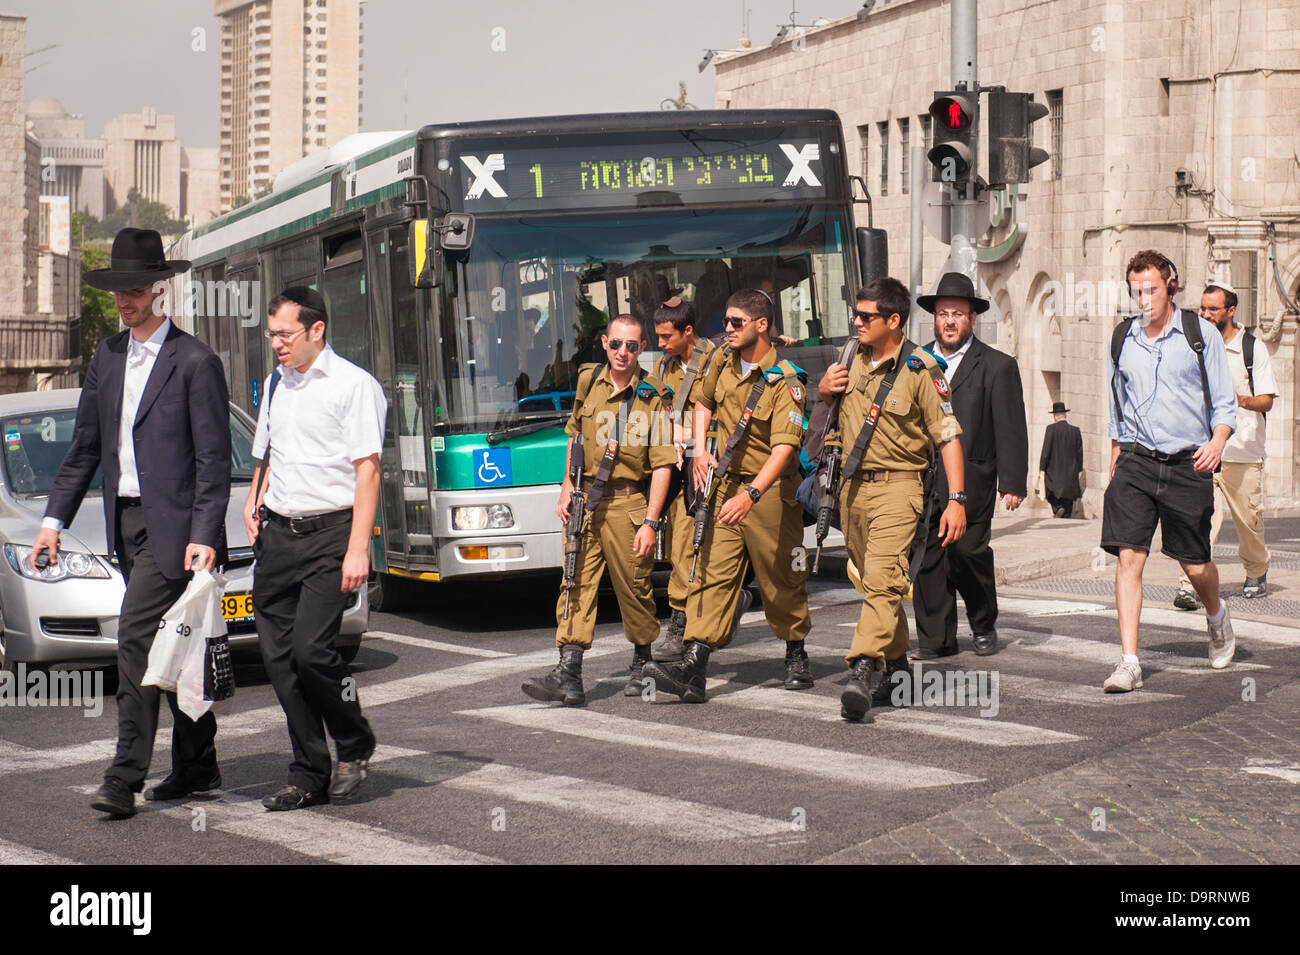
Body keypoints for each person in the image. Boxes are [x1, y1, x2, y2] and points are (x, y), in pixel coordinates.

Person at [34, 228, 231, 817]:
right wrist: (52, 521)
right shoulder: (106, 355)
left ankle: (124, 778)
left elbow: (213, 460)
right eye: (119, 289)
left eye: (137, 289)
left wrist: (203, 535)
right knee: (180, 648)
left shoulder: (196, 361)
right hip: (126, 524)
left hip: (177, 530)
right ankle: (198, 764)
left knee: (137, 643)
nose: (126, 300)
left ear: (159, 290)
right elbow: (85, 449)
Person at [246, 287, 387, 810]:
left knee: (314, 653)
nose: (276, 344)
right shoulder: (277, 384)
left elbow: (367, 472)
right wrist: (256, 496)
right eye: (272, 335)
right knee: (280, 663)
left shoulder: (354, 386)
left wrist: (359, 549)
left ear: (316, 329)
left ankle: (354, 739)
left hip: (332, 536)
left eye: (285, 334)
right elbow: (268, 449)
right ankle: (308, 772)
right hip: (278, 538)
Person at [641, 288, 812, 703]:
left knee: (780, 580)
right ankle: (694, 665)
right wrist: (700, 450)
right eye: (727, 322)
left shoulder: (787, 381)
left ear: (762, 325)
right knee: (711, 574)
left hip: (767, 491)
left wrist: (752, 494)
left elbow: (784, 449)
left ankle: (795, 653)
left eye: (737, 323)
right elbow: (703, 402)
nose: (727, 329)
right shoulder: (720, 359)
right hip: (725, 485)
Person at [817, 278, 967, 720]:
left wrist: (956, 499)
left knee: (884, 580)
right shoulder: (848, 358)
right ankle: (900, 673)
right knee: (872, 581)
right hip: (852, 489)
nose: (857, 322)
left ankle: (864, 669)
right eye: (856, 314)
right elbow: (827, 422)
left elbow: (948, 437)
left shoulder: (923, 370)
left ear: (894, 321)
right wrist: (825, 391)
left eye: (866, 316)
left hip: (899, 489)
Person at [521, 314, 675, 705]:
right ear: (605, 342)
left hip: (628, 504)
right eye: (617, 344)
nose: (623, 352)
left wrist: (652, 523)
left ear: (642, 349)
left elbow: (662, 466)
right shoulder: (588, 381)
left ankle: (642, 663)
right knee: (574, 582)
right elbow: (575, 435)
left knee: (635, 589)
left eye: (633, 346)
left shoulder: (653, 396)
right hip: (583, 502)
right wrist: (566, 486)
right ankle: (569, 671)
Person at [1102, 251, 1237, 692]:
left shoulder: (1201, 336)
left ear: (1171, 286)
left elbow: (1224, 403)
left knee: (1195, 566)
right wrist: (1114, 462)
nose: (1143, 297)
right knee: (1129, 556)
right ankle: (1129, 662)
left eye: (1151, 289)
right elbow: (1116, 408)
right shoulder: (1122, 338)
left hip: (1188, 462)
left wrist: (1217, 443)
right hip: (1137, 461)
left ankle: (1216, 616)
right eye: (1136, 289)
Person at [909, 272, 1028, 659]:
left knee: (967, 554)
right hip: (922, 482)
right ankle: (936, 639)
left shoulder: (996, 366)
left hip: (973, 480)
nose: (948, 321)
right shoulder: (915, 362)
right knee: (928, 559)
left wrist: (1012, 482)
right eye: (943, 313)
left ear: (972, 319)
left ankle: (982, 622)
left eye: (957, 314)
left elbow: (1010, 427)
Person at [1173, 281, 1276, 607]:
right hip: (1202, 450)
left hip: (1242, 451)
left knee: (1248, 521)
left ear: (1230, 311)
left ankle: (1256, 571)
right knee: (1199, 520)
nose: (1204, 314)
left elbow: (1267, 400)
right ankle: (1189, 584)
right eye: (1202, 308)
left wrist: (1237, 400)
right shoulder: (1194, 345)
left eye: (1212, 309)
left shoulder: (1251, 348)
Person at [647, 297, 724, 663]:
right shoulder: (665, 365)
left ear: (688, 331)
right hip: (678, 469)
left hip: (709, 465)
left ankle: (700, 619)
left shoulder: (716, 362)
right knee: (681, 545)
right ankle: (681, 622)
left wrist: (691, 438)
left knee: (703, 549)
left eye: (666, 336)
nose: (659, 343)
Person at [1039, 402, 1084, 518]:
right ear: (1065, 415)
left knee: (1051, 492)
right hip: (1071, 472)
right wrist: (1079, 468)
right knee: (1068, 498)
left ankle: (1058, 508)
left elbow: (1046, 450)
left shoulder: (1051, 429)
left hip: (1054, 471)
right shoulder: (1075, 431)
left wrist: (1042, 468)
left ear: (1055, 416)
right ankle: (1065, 514)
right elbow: (1080, 452)